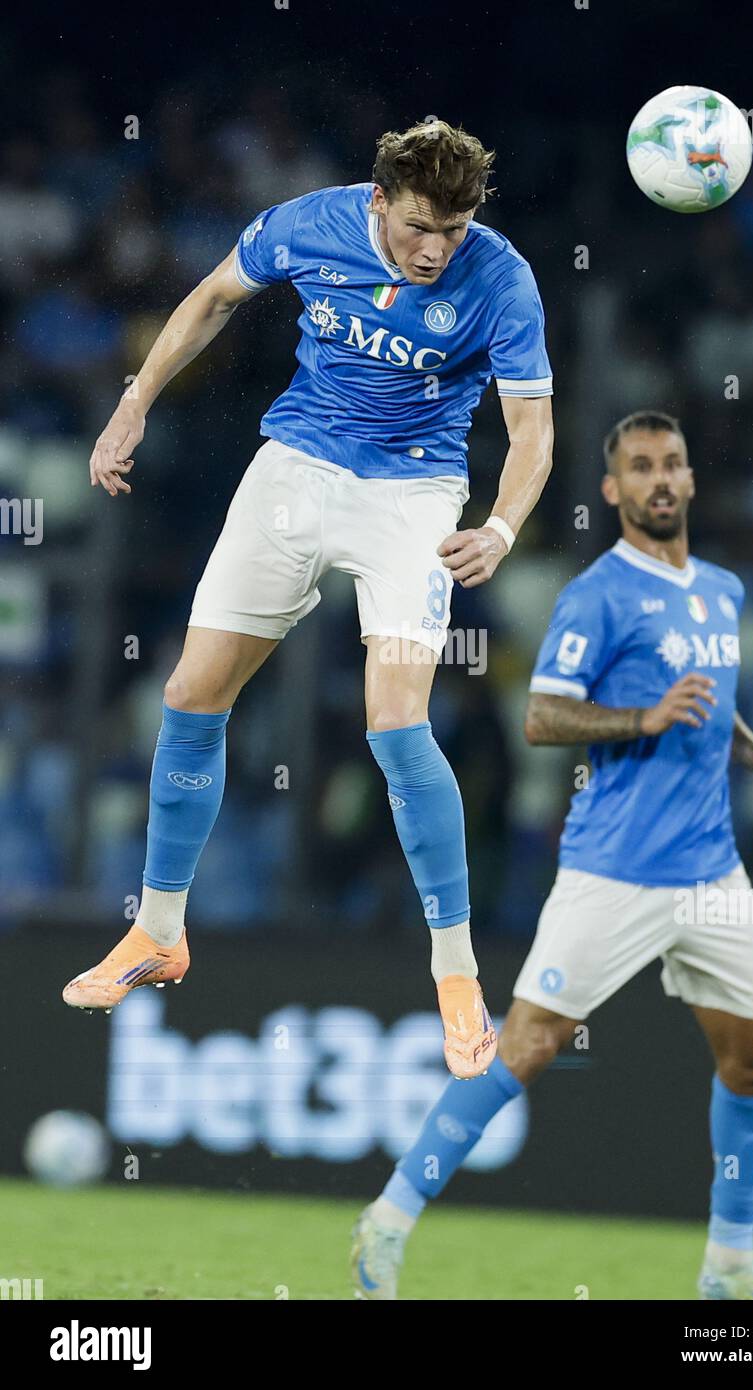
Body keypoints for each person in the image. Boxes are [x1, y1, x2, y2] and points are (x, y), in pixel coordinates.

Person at [62, 118, 555, 1080]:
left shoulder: (500, 277)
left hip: (412, 491)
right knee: (191, 694)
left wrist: (499, 527)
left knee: (396, 721)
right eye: (419, 225)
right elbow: (210, 299)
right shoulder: (308, 224)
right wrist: (136, 401)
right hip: (294, 467)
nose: (435, 249)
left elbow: (531, 427)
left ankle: (456, 973)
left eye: (452, 230)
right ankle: (159, 931)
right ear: (378, 203)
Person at [351, 410, 753, 1298]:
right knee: (526, 1046)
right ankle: (389, 1217)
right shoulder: (598, 596)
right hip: (614, 868)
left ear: (688, 479)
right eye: (639, 467)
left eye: (672, 464)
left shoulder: (721, 588)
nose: (659, 479)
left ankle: (729, 1265)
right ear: (613, 490)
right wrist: (639, 719)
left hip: (712, 871)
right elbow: (542, 715)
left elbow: (707, 699)